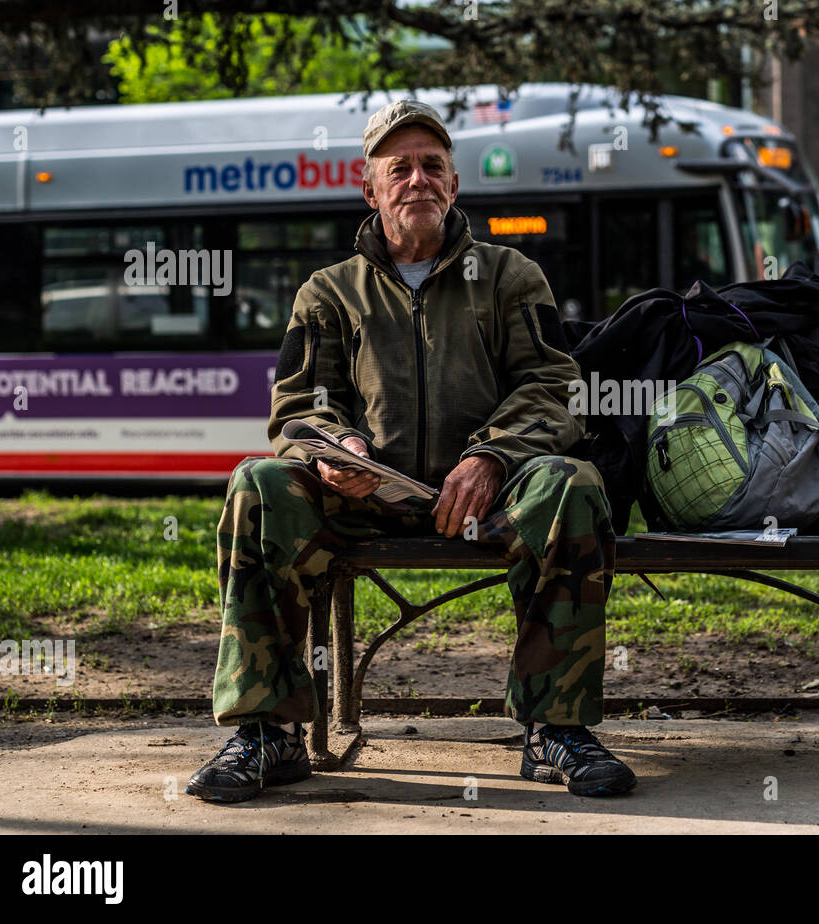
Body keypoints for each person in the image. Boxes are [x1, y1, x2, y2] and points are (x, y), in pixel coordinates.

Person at [185, 99, 635, 802]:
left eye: (433, 166)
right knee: (259, 484)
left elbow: (553, 386)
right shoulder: (328, 292)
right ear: (371, 189)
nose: (418, 180)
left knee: (571, 484)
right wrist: (335, 450)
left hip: (488, 498)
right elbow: (300, 406)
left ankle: (556, 731)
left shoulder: (512, 275)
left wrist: (491, 457)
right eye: (401, 169)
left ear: (454, 186)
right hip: (360, 499)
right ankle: (268, 733)